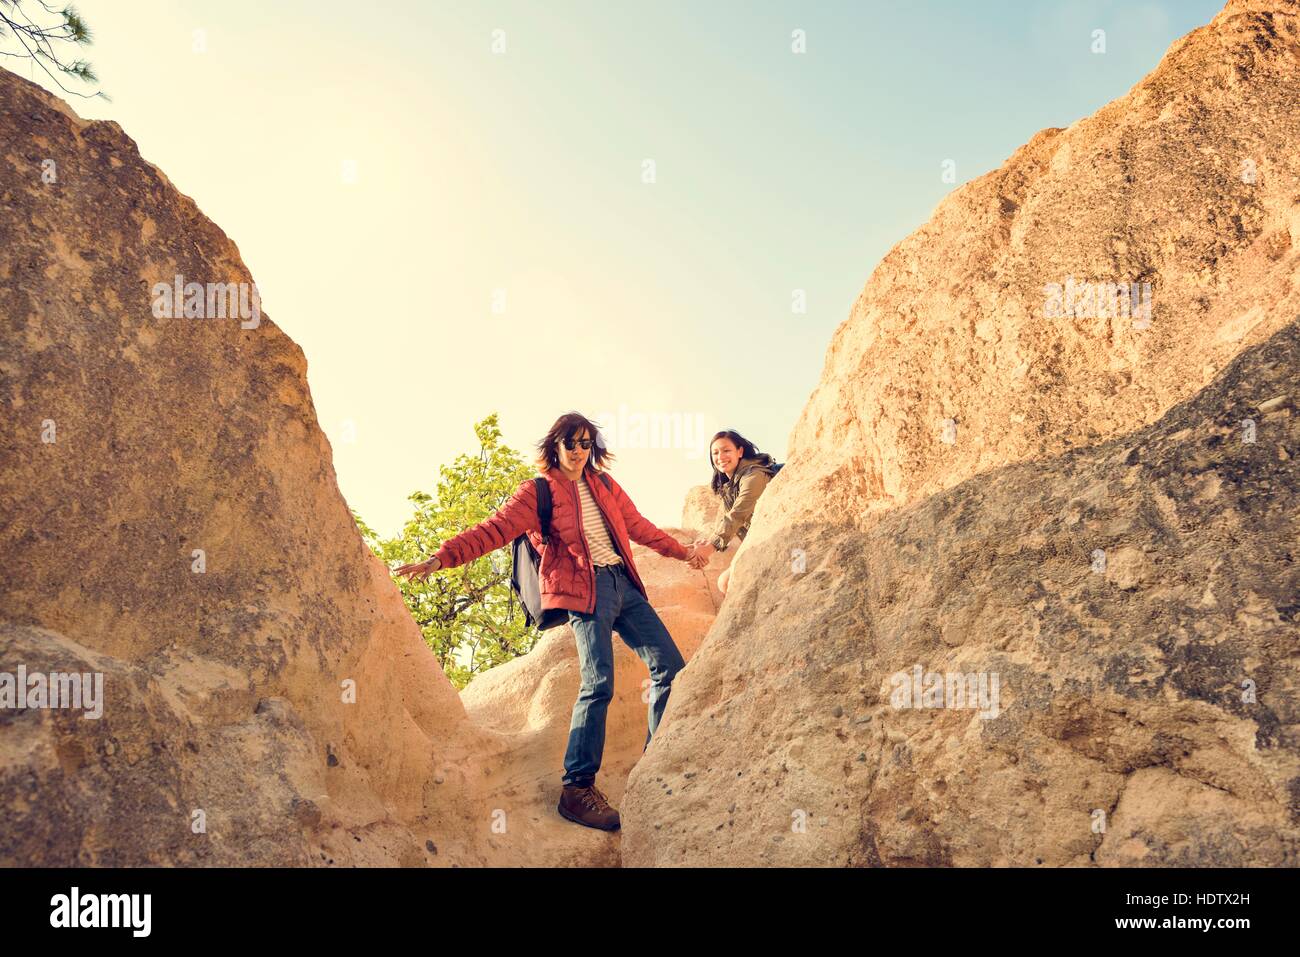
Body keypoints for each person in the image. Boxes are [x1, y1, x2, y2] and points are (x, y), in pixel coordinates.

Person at [394, 412, 700, 832]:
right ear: (555, 445)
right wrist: (441, 558)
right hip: (584, 591)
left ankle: (654, 761)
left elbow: (640, 528)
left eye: (586, 443)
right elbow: (495, 529)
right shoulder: (539, 492)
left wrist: (683, 552)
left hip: (624, 585)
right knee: (599, 684)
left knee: (670, 666)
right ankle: (577, 789)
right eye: (571, 443)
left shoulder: (605, 485)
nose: (578, 451)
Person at [688, 430, 778, 595]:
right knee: (726, 582)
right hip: (767, 545)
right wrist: (699, 548)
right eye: (715, 453)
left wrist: (711, 547)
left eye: (726, 450)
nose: (720, 457)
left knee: (798, 571)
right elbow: (721, 523)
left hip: (788, 541)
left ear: (740, 451)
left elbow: (738, 513)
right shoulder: (729, 488)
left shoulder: (755, 474)